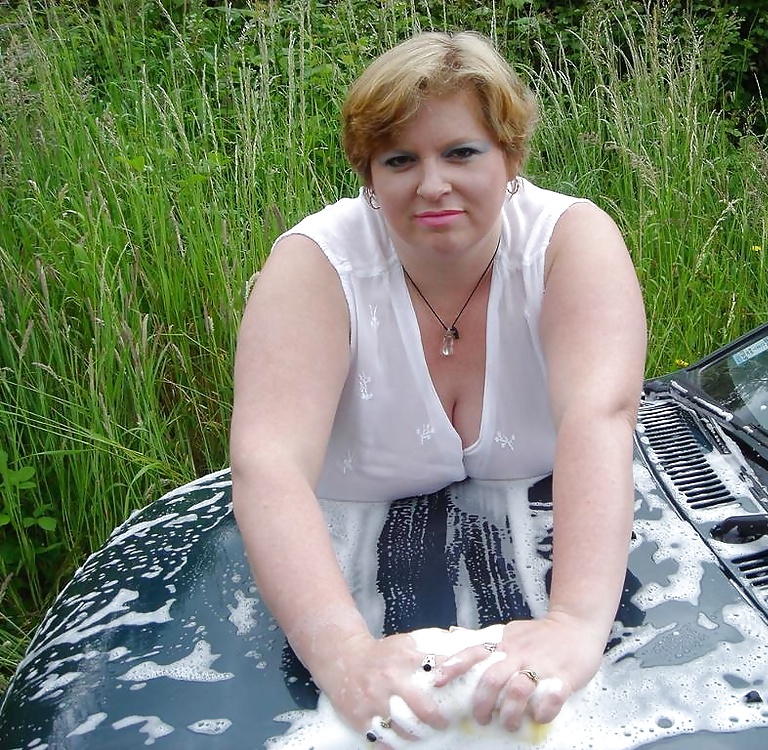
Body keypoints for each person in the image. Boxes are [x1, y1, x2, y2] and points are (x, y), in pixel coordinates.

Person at [229, 30, 647, 744]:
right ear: (369, 176)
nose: (432, 184)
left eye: (460, 152)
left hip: (555, 553)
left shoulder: (573, 243)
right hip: (336, 572)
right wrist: (345, 657)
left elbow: (599, 419)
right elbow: (267, 461)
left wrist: (574, 627)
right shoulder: (315, 266)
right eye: (400, 160)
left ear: (510, 157)